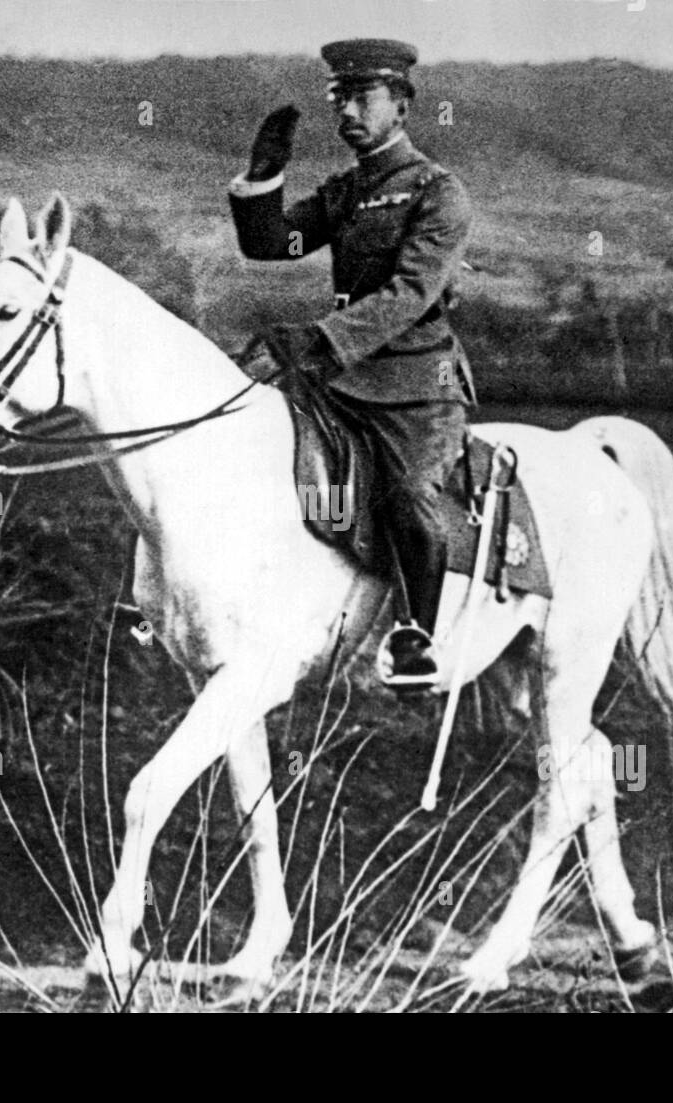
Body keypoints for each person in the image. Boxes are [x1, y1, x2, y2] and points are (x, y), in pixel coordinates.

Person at [228, 38, 476, 689]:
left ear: (401, 104)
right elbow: (269, 243)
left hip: (415, 384)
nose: (346, 113)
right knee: (250, 436)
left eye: (363, 98)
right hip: (342, 379)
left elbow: (409, 296)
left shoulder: (437, 192)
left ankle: (416, 636)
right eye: (339, 98)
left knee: (406, 494)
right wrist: (263, 175)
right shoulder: (349, 192)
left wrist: (319, 339)